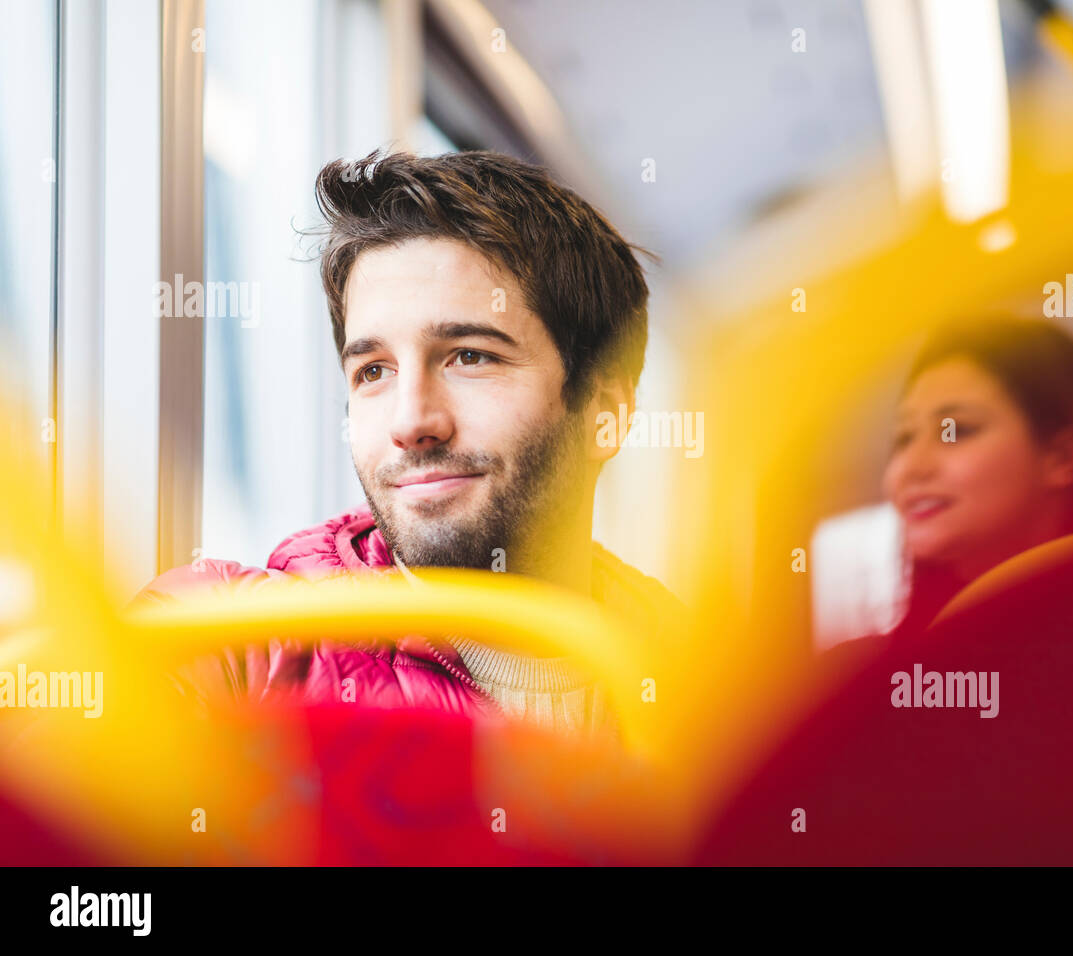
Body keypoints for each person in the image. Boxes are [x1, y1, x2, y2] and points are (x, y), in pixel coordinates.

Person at [134, 150, 680, 736]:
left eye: (470, 357)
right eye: (374, 371)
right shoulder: (228, 643)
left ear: (606, 408)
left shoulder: (708, 689)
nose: (411, 420)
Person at [878, 316, 1073, 638]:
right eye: (904, 437)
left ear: (1063, 458)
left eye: (957, 431)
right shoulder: (890, 667)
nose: (911, 467)